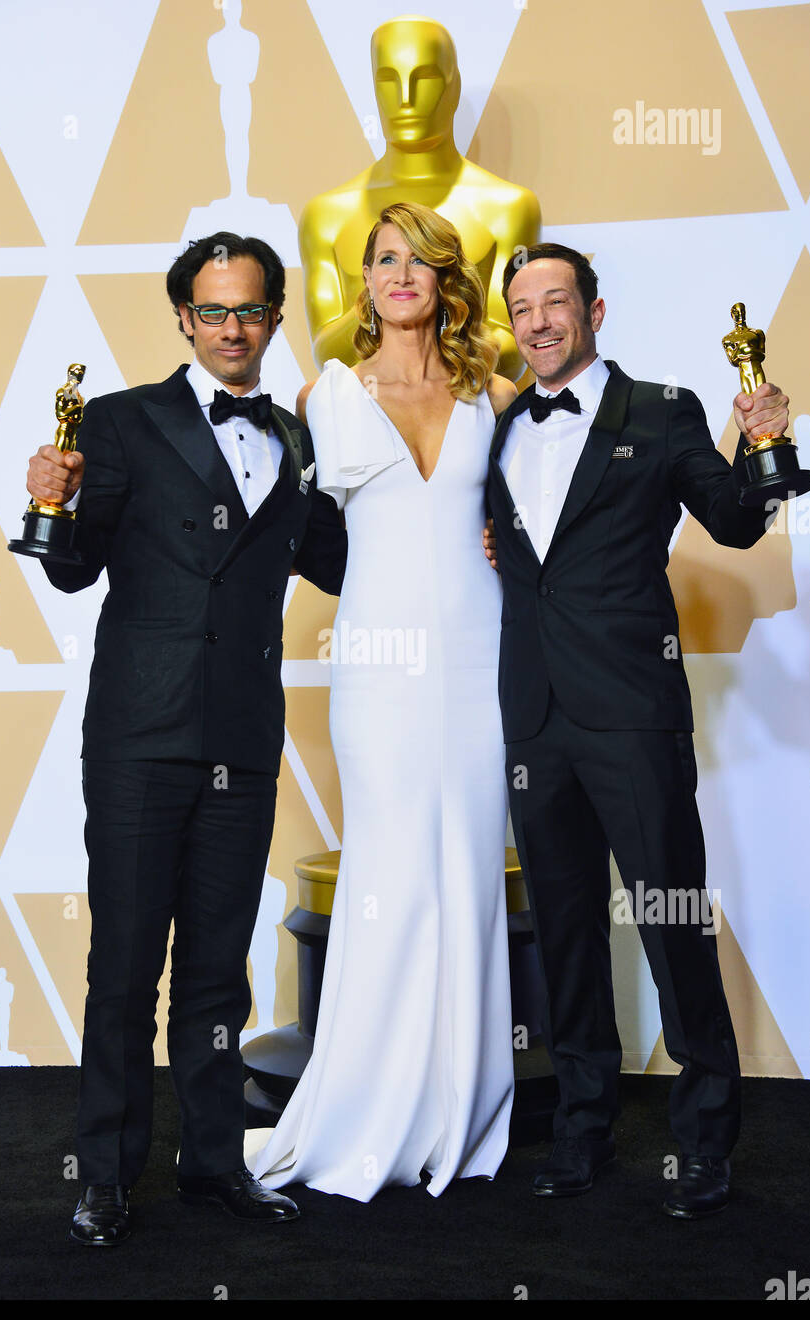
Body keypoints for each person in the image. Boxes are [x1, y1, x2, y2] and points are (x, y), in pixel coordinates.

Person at [26, 232, 347, 1244]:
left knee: (219, 968)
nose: (232, 330)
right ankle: (106, 1176)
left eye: (250, 311)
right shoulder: (120, 423)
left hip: (244, 738)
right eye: (212, 312)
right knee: (123, 965)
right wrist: (51, 501)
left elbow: (339, 560)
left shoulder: (298, 441)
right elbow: (75, 570)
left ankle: (214, 1163)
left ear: (275, 318)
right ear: (182, 318)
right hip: (138, 735)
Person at [483, 243, 797, 1218]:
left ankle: (706, 1142)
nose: (539, 322)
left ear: (596, 310)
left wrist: (762, 445)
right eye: (523, 307)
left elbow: (737, 524)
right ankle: (582, 1130)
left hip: (632, 716)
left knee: (669, 925)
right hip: (536, 721)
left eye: (556, 303)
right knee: (570, 937)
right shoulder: (495, 430)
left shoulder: (659, 412)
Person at [252, 202, 519, 1201]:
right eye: (384, 259)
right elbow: (303, 530)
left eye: (418, 259)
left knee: (468, 867)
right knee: (394, 870)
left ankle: (463, 1107)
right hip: (378, 662)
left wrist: (511, 536)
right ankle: (367, 1107)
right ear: (362, 281)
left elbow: (544, 508)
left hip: (482, 656)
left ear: (443, 276)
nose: (401, 273)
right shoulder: (326, 392)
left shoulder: (495, 390)